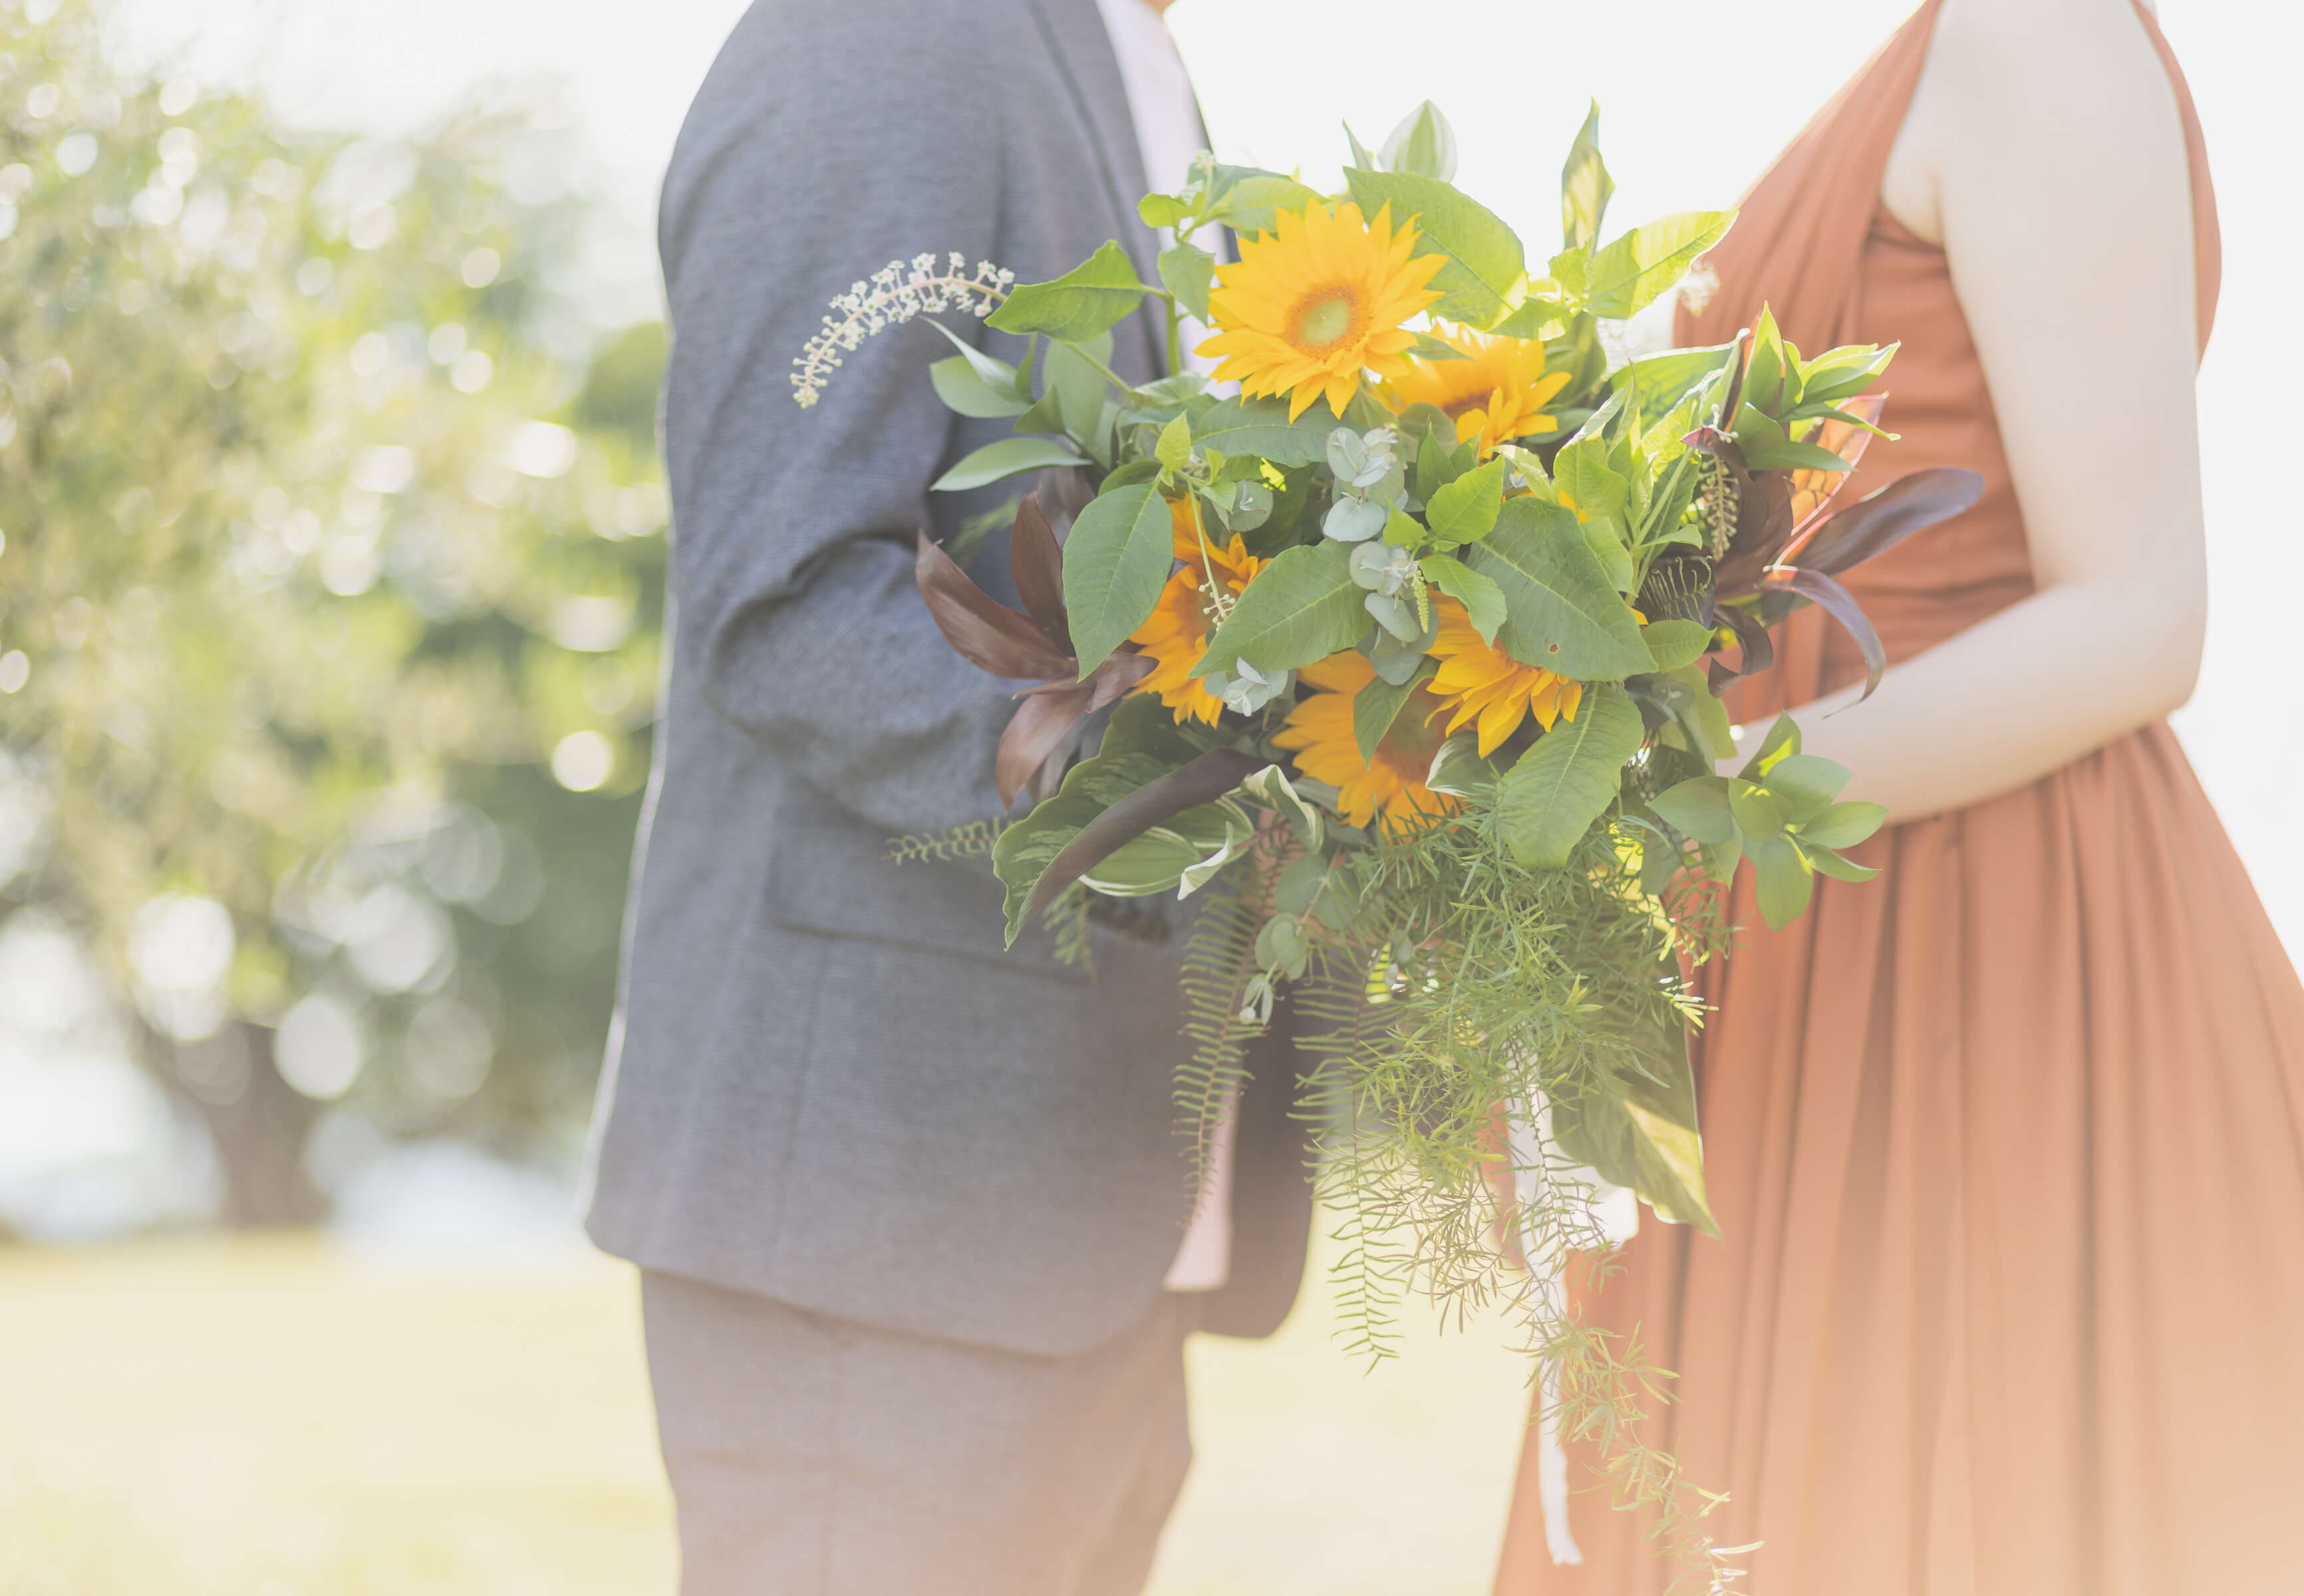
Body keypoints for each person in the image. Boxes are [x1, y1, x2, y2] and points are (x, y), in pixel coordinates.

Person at [1495, 1, 2304, 1591]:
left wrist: (1679, 791)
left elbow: (2140, 617)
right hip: (1816, 902)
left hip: (1965, 929)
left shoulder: (2041, 36)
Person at [580, 1, 1312, 1591]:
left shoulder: (1141, 62)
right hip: (887, 1233)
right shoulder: (888, 33)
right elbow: (785, 592)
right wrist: (1161, 804)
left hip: (1089, 1233)